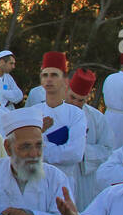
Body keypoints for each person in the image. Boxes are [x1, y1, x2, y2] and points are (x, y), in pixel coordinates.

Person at [23, 51, 86, 190]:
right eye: (45, 75)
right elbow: (23, 150)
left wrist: (41, 149)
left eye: (54, 75)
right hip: (35, 180)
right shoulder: (33, 112)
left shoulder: (76, 114)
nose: (49, 79)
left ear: (65, 80)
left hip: (64, 181)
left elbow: (75, 153)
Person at [69, 68, 112, 211]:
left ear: (87, 98)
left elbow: (108, 150)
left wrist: (82, 151)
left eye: (80, 100)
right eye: (72, 97)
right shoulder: (53, 112)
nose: (75, 103)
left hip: (84, 179)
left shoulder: (97, 118)